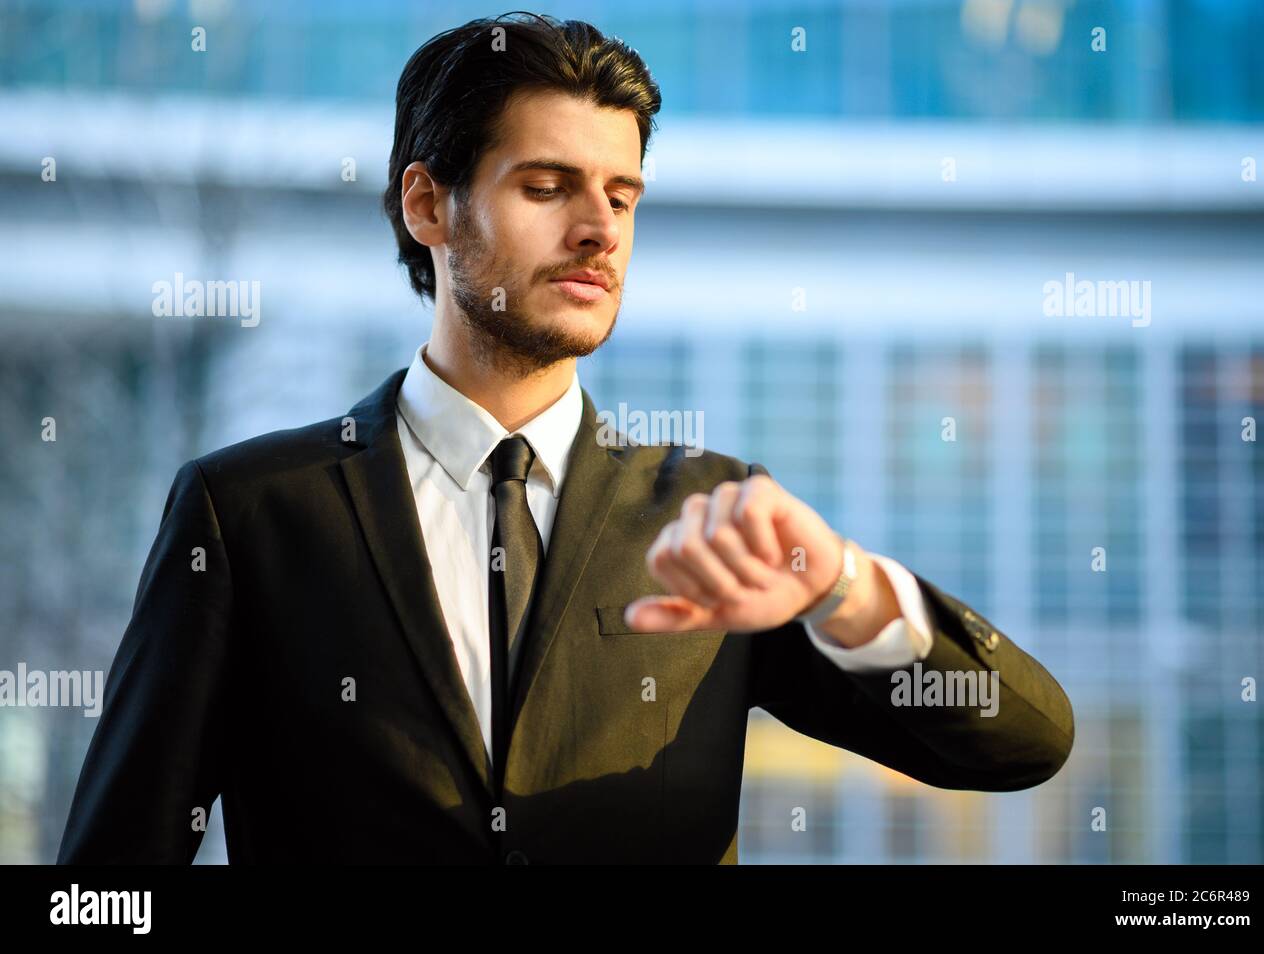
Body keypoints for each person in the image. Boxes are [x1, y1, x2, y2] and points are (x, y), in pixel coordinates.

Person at [57, 12, 1073, 865]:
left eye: (621, 195)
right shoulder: (251, 513)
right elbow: (108, 881)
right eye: (546, 188)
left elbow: (1022, 743)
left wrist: (844, 588)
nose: (599, 230)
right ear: (428, 205)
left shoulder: (715, 526)